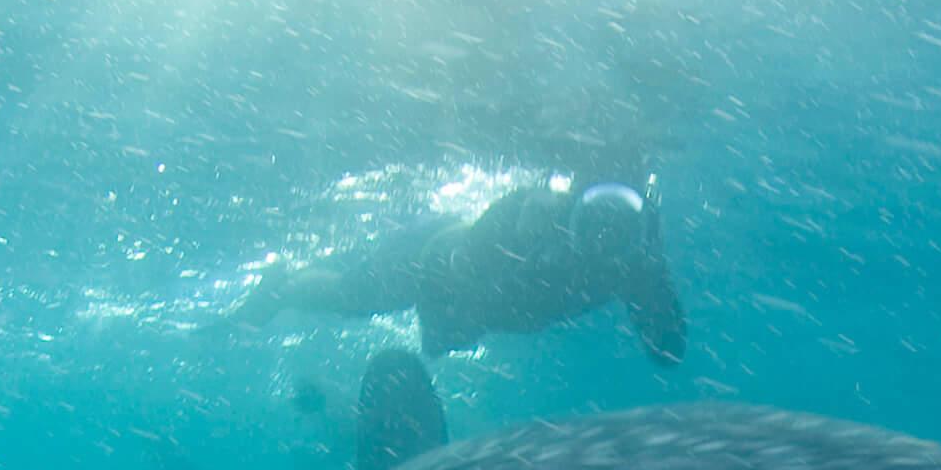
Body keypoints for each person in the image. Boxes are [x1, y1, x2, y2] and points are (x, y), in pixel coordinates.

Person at [229, 173, 687, 363]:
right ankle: (281, 286)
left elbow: (668, 350)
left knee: (359, 299)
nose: (601, 246)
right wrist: (444, 327)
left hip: (480, 298)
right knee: (354, 297)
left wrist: (654, 292)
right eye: (594, 229)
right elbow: (442, 261)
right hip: (427, 254)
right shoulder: (521, 222)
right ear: (572, 221)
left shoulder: (637, 268)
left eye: (617, 235)